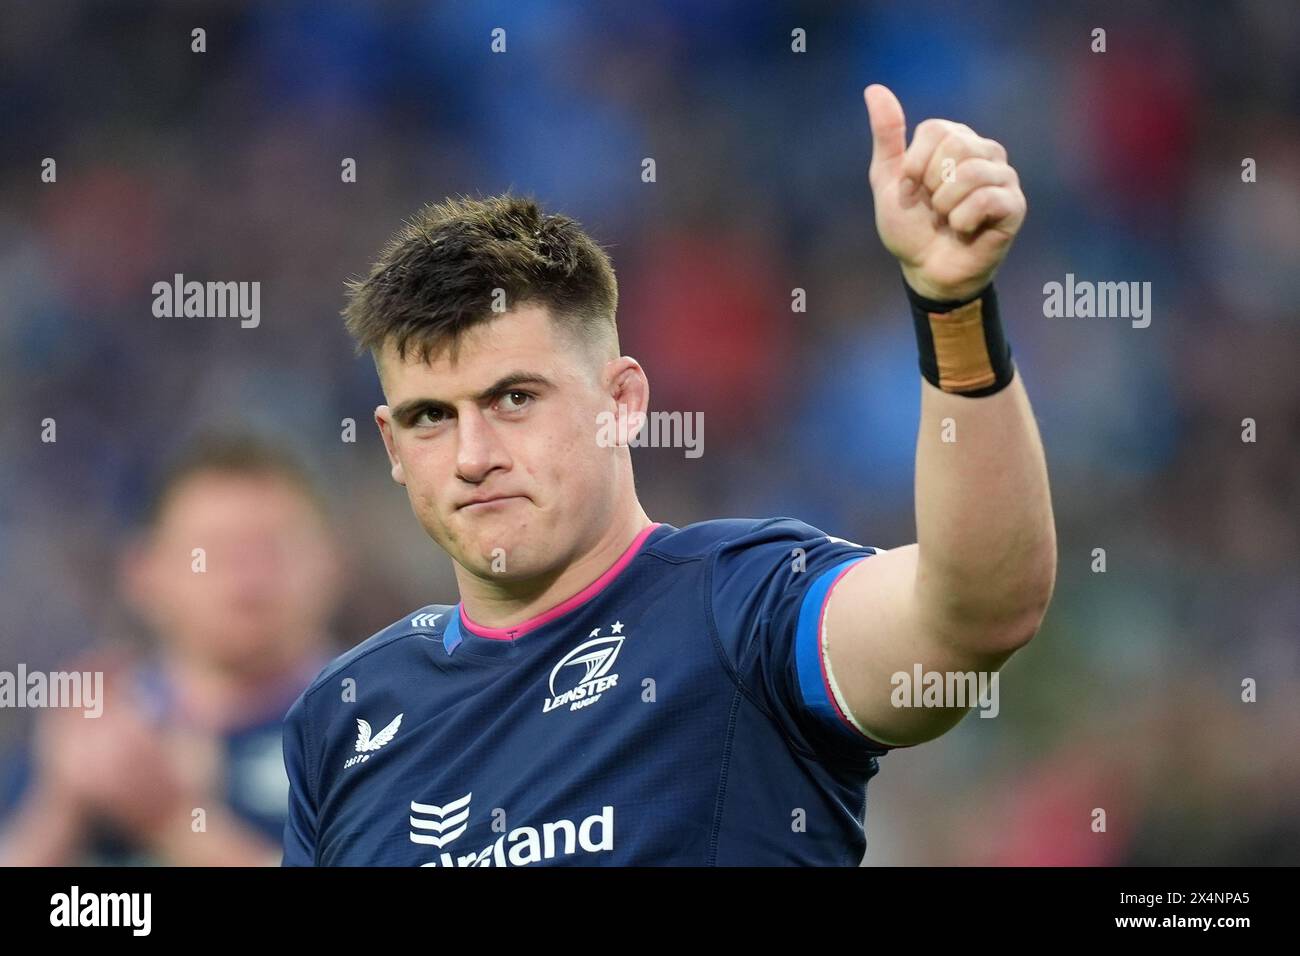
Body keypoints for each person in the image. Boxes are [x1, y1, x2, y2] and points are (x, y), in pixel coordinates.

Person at [282, 83, 1056, 866]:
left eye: (514, 398)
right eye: (430, 418)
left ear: (622, 401)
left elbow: (975, 616)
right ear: (389, 443)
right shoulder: (342, 718)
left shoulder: (744, 607)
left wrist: (952, 306)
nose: (473, 455)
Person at [0, 434, 340, 865]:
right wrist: (59, 807)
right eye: (214, 552)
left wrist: (170, 821)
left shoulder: (379, 723)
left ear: (331, 560)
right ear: (144, 572)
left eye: (271, 549)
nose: (248, 579)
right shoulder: (83, 729)